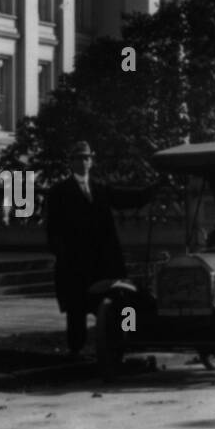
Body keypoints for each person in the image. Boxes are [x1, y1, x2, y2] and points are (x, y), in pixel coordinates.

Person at [44, 141, 154, 356]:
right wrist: (63, 254)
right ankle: (75, 350)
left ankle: (128, 337)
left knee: (124, 300)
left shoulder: (101, 189)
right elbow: (52, 229)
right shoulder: (59, 192)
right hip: (76, 263)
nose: (83, 162)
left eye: (86, 158)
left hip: (105, 262)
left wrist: (152, 191)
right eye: (78, 158)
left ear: (92, 161)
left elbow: (126, 198)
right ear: (71, 163)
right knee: (76, 309)